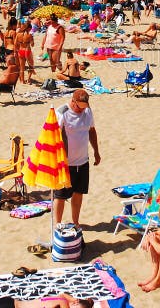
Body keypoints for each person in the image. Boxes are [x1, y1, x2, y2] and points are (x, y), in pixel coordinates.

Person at [53, 90, 100, 227]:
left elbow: (92, 131)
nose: (82, 111)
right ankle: (58, 224)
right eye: (79, 107)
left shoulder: (87, 112)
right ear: (73, 102)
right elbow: (53, 137)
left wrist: (96, 152)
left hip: (83, 161)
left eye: (84, 107)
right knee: (60, 196)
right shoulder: (62, 113)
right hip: (66, 164)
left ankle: (75, 222)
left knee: (78, 194)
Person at [0, 294, 93, 308]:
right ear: (76, 304)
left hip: (8, 301)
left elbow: (63, 293)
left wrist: (73, 298)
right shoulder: (64, 306)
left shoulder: (61, 298)